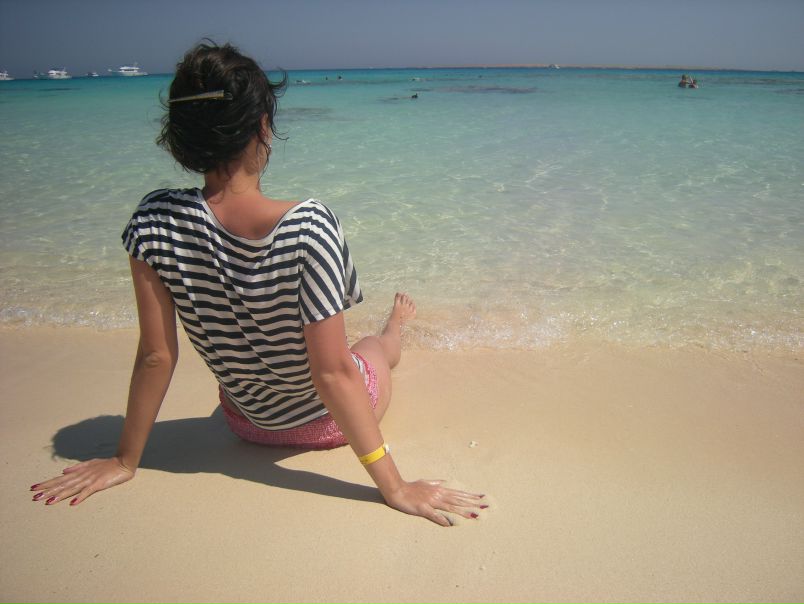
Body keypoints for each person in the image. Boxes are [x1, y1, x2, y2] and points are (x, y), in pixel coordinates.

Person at [29, 42, 485, 526]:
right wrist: (394, 486)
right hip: (329, 424)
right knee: (370, 348)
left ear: (182, 133)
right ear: (262, 127)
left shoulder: (152, 221)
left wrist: (125, 460)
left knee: (329, 351)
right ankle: (396, 326)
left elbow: (156, 356)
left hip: (247, 424)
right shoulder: (309, 226)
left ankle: (388, 330)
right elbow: (333, 375)